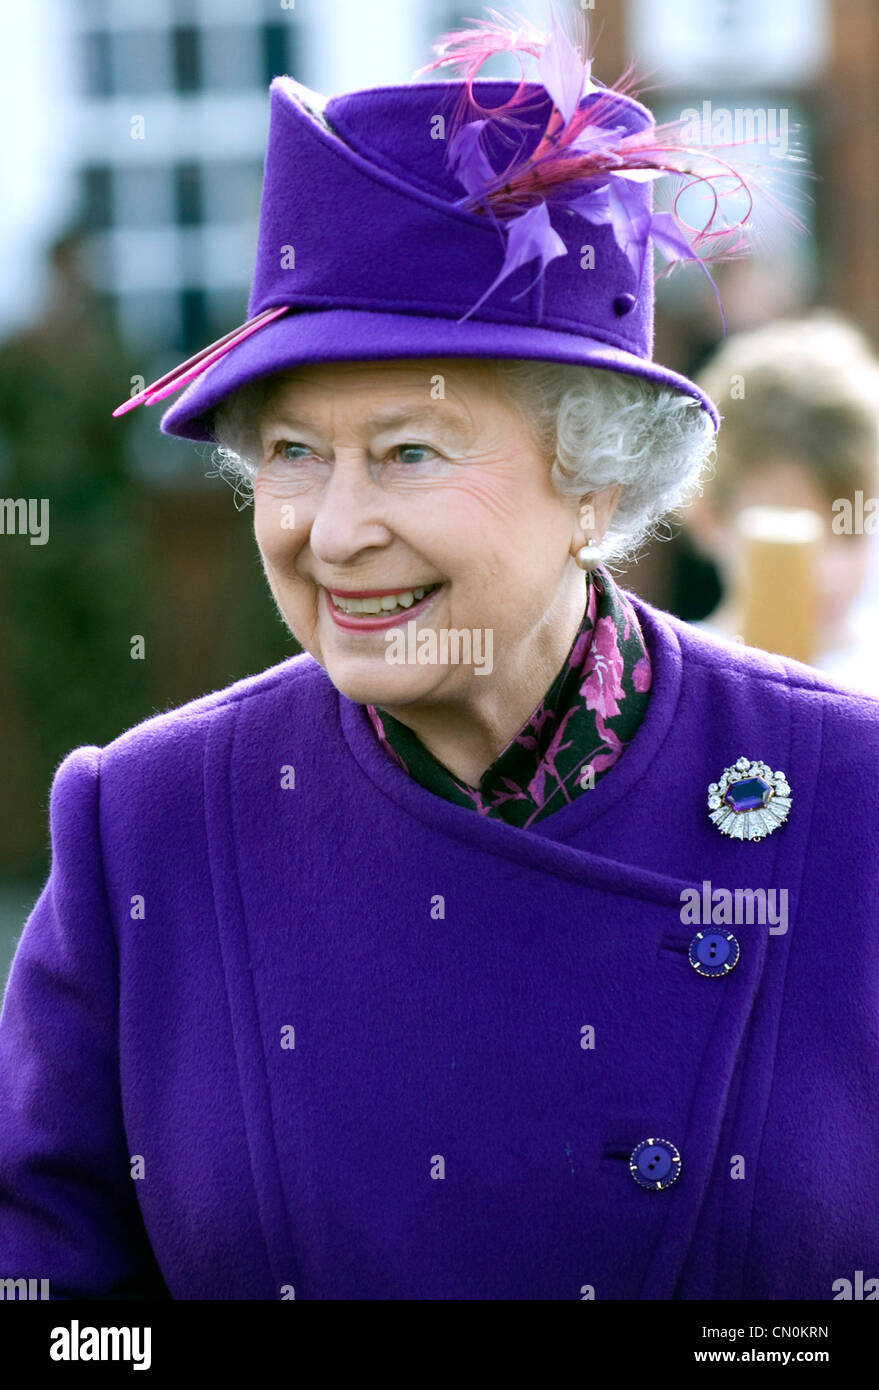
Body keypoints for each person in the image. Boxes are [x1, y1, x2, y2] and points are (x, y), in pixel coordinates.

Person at [1, 10, 878, 1302]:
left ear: (592, 478)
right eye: (292, 453)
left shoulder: (844, 797)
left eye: (408, 450)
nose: (332, 530)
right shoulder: (145, 824)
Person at [686, 311, 879, 692]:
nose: (829, 573)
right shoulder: (674, 682)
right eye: (789, 537)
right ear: (710, 518)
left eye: (852, 532)